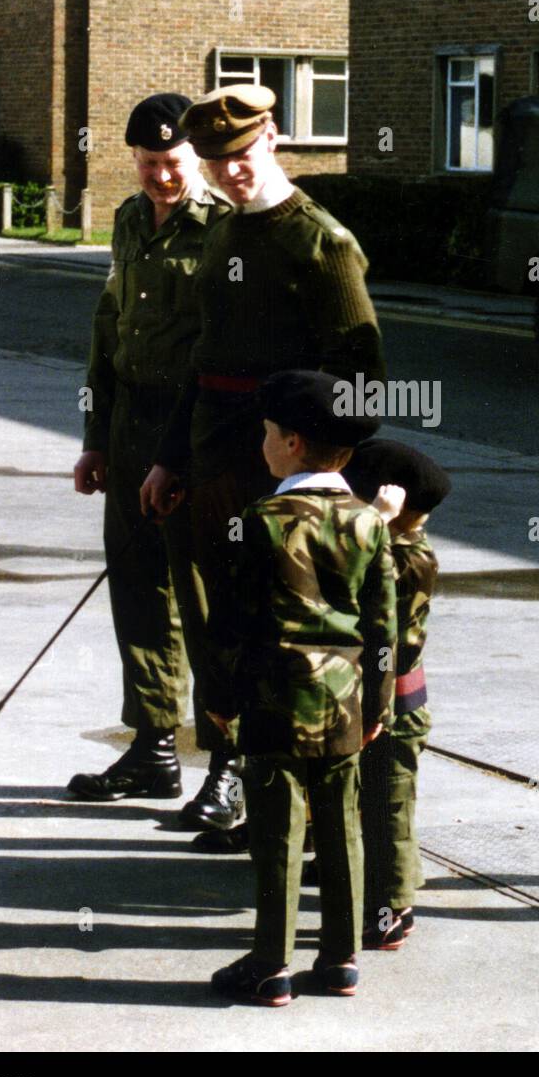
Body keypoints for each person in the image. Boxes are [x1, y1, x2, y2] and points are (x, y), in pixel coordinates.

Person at [140, 84, 386, 841]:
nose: (229, 173)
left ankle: (289, 802)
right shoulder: (220, 232)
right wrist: (168, 457)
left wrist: (327, 479)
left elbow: (361, 381)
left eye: (241, 156)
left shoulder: (322, 243)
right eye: (214, 162)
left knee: (280, 635)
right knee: (216, 624)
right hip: (211, 463)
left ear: (272, 139)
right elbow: (201, 356)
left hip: (282, 471)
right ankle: (231, 770)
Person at [206, 370, 396, 1006]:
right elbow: (383, 629)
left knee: (277, 832)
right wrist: (379, 703)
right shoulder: (370, 525)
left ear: (290, 443)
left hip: (271, 700)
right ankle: (341, 959)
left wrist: (222, 700)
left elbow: (232, 624)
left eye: (265, 433)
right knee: (343, 826)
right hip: (343, 702)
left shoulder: (263, 519)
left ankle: (270, 963)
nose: (261, 442)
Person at [69, 94, 221, 805]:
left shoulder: (223, 227)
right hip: (130, 425)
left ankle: (227, 766)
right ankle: (153, 747)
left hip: (192, 433)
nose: (162, 176)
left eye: (173, 162)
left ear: (195, 157)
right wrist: (95, 441)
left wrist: (193, 453)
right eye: (150, 162)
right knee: (137, 592)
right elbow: (109, 332)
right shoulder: (130, 220)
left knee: (204, 600)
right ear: (132, 159)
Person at [303, 439, 450, 951]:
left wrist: (375, 527)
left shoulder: (407, 560)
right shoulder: (391, 544)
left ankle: (393, 908)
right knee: (367, 801)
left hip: (394, 709)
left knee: (389, 810)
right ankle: (364, 878)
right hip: (371, 703)